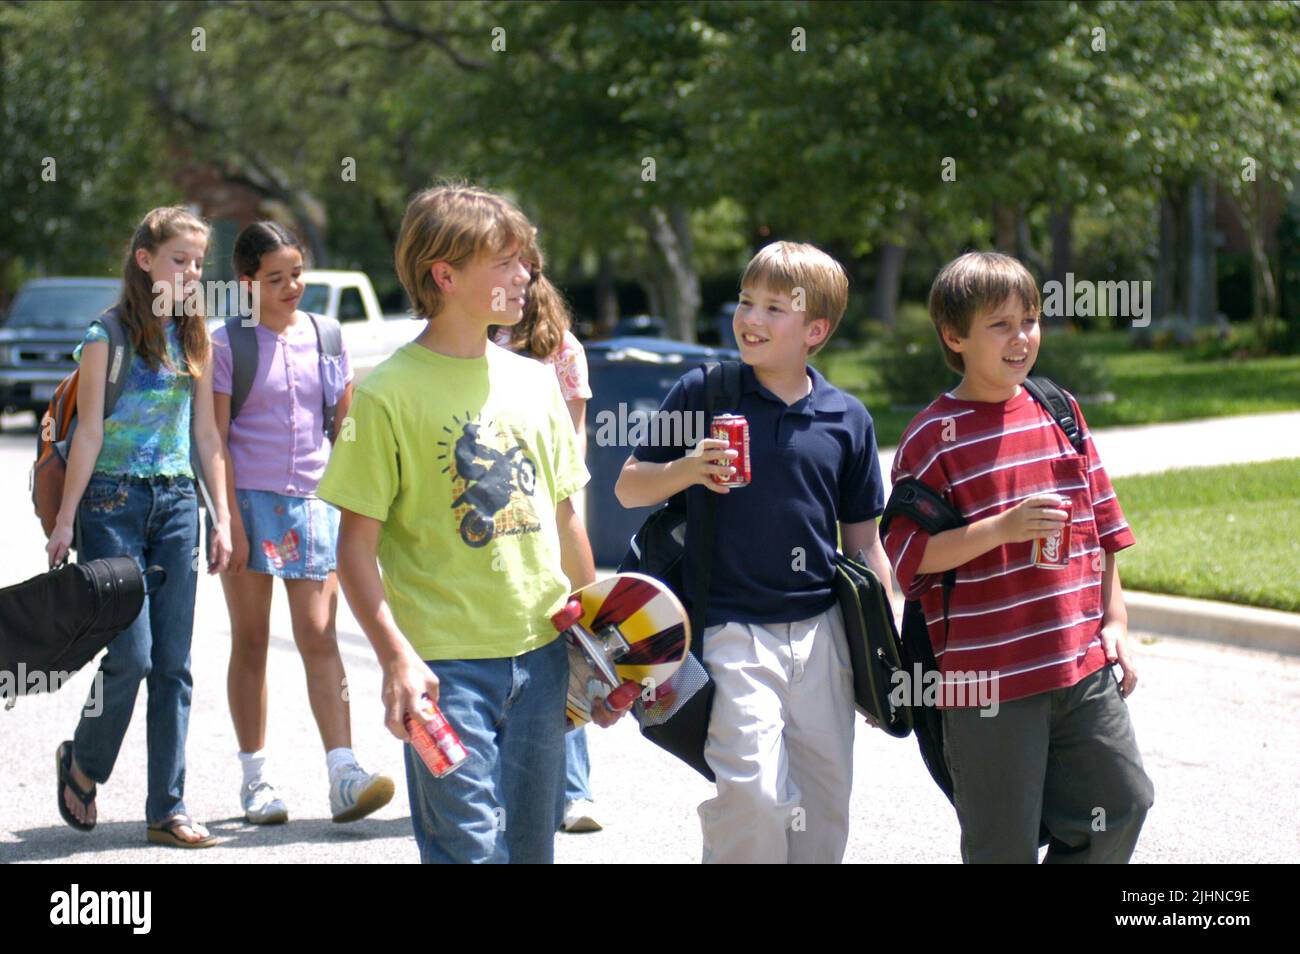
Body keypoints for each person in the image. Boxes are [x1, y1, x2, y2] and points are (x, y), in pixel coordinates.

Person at [318, 184, 607, 864]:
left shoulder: (537, 383)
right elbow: (354, 551)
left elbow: (567, 522)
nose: (525, 275)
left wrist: (598, 646)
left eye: (524, 260)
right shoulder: (384, 394)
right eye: (505, 261)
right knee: (469, 854)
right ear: (445, 275)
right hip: (440, 671)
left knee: (530, 852)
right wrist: (396, 658)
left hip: (540, 659)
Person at [615, 241, 893, 864]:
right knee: (756, 798)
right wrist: (688, 467)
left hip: (824, 636)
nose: (751, 319)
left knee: (823, 810)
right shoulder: (703, 394)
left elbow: (864, 546)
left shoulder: (846, 419)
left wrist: (884, 660)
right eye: (745, 302)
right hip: (732, 633)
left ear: (814, 330)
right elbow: (628, 486)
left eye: (774, 307)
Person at [881, 251, 1154, 863]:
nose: (1021, 337)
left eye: (1029, 320)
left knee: (1123, 801)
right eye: (999, 324)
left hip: (1077, 664)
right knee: (1001, 848)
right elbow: (910, 558)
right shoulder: (931, 437)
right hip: (986, 684)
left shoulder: (1059, 410)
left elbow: (1103, 527)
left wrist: (1117, 623)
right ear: (955, 337)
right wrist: (1001, 528)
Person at [49, 206, 233, 848]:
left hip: (179, 506)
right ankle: (84, 763)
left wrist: (224, 518)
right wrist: (66, 519)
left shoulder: (196, 338)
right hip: (110, 507)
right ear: (146, 260)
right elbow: (89, 430)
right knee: (130, 654)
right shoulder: (105, 336)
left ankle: (168, 807)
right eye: (179, 260)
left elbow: (207, 434)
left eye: (198, 263)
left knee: (174, 666)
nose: (190, 273)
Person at [212, 221, 394, 826]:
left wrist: (363, 508)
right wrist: (226, 518)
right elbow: (212, 438)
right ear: (246, 283)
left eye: (297, 273)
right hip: (246, 504)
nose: (292, 287)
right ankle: (256, 780)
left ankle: (343, 772)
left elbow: (345, 430)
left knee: (319, 634)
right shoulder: (224, 345)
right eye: (275, 278)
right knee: (253, 639)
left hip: (316, 503)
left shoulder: (327, 335)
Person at [491, 251, 602, 834]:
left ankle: (575, 790)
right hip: (494, 511)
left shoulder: (561, 347)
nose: (517, 280)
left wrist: (563, 491)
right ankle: (507, 785)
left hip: (551, 504)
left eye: (524, 268)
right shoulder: (477, 339)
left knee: (567, 641)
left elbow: (575, 428)